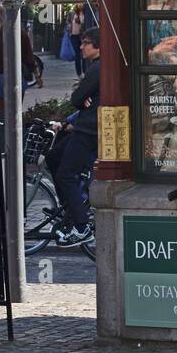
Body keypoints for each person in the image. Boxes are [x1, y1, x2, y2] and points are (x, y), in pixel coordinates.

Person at [53, 30, 100, 246]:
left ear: (99, 46)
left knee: (66, 174)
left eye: (86, 43)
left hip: (88, 132)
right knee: (55, 155)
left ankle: (81, 226)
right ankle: (71, 209)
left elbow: (76, 98)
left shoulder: (97, 69)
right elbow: (81, 100)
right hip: (86, 128)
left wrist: (83, 100)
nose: (81, 47)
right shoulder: (96, 67)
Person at [0, 4, 42, 112]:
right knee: (16, 112)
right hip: (17, 77)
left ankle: (2, 122)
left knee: (1, 114)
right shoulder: (20, 34)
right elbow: (29, 58)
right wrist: (37, 75)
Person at [69, 6, 86, 76]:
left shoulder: (85, 13)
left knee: (84, 54)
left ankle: (85, 71)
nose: (79, 5)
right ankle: (79, 73)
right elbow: (70, 23)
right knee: (77, 55)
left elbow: (84, 23)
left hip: (82, 36)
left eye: (81, 4)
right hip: (74, 36)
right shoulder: (73, 13)